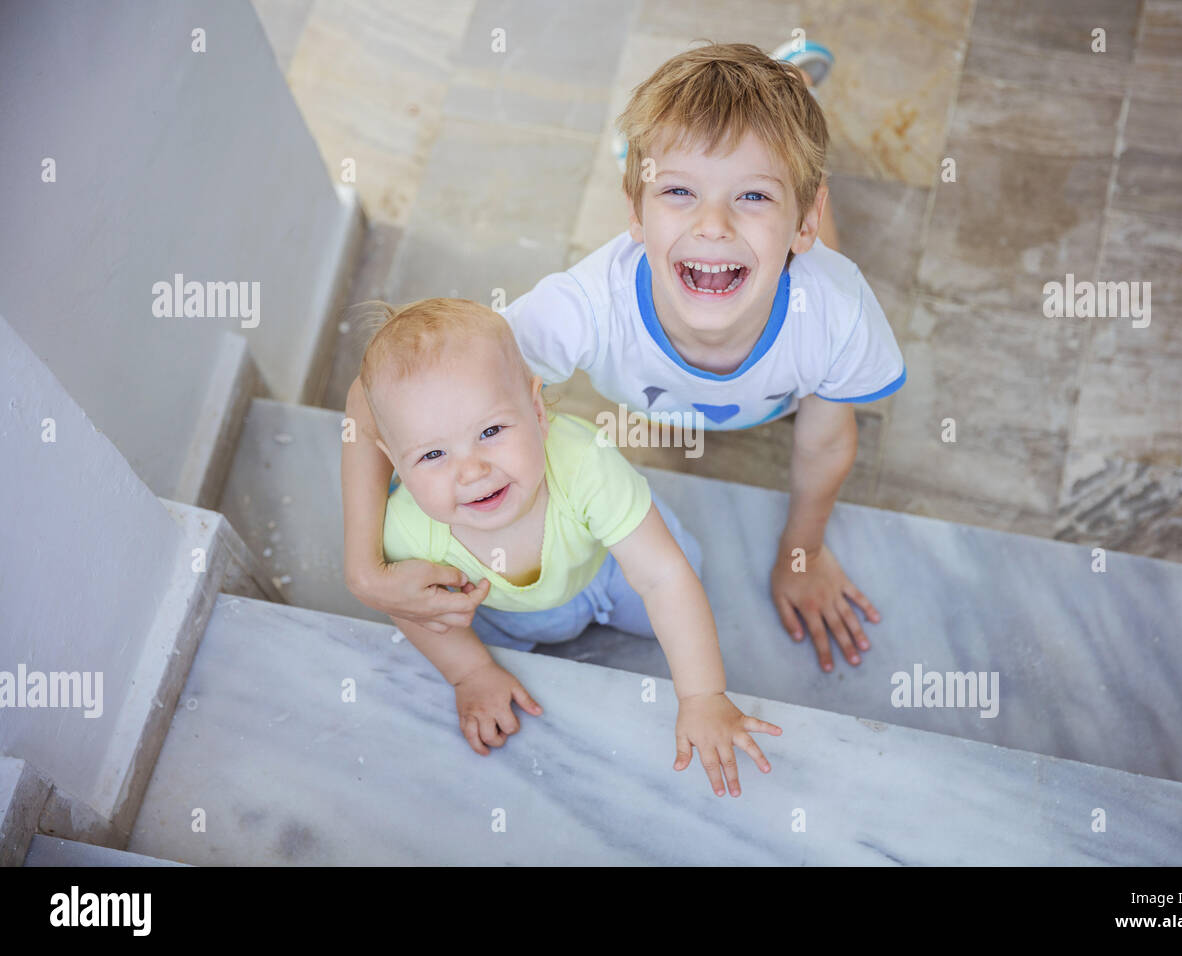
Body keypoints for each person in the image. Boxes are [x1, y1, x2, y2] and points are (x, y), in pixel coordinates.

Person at [342, 41, 906, 675]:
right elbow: (376, 394)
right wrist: (365, 568)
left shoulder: (837, 315)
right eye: (678, 192)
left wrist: (801, 552)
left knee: (819, 256)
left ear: (803, 217)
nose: (713, 225)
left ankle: (789, 89)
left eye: (754, 197)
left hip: (798, 306)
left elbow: (827, 444)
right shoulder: (586, 308)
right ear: (633, 211)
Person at [358, 297, 781, 797]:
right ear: (394, 463)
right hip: (505, 611)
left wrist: (702, 694)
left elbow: (661, 576)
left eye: (490, 431)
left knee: (683, 576)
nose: (471, 471)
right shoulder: (406, 531)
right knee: (488, 659)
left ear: (537, 411)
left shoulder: (585, 464)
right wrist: (469, 672)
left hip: (607, 569)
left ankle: (636, 521)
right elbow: (409, 607)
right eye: (432, 454)